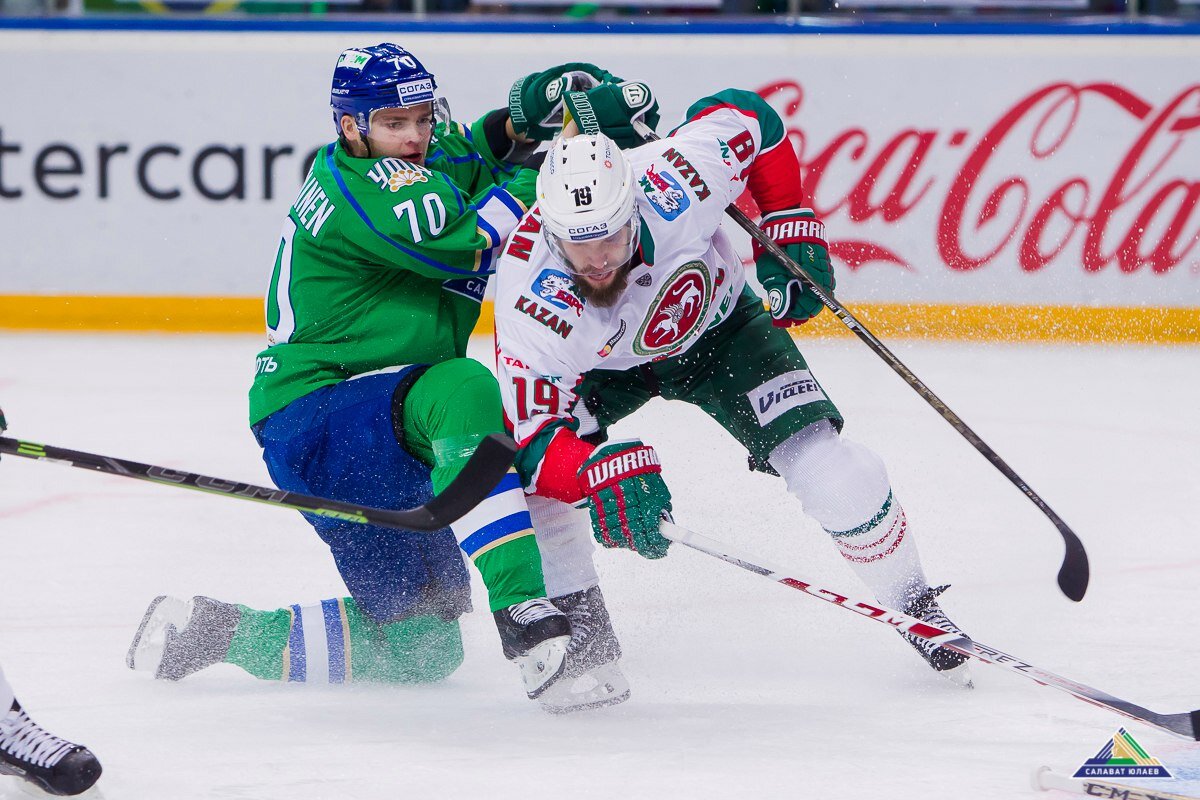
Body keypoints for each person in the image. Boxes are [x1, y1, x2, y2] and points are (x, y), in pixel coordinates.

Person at [127, 45, 645, 707]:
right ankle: (523, 607)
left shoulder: (411, 154)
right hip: (321, 417)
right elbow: (483, 232)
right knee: (467, 388)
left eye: (423, 118)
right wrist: (573, 151)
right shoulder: (366, 189)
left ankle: (219, 632)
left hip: (380, 424)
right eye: (396, 123)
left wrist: (527, 118)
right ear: (351, 126)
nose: (414, 136)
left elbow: (478, 150)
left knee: (423, 648)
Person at [491, 86, 975, 694]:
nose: (596, 264)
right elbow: (535, 439)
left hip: (720, 332)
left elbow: (749, 115)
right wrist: (593, 475)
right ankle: (583, 636)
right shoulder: (529, 292)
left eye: (610, 240)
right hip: (601, 371)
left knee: (830, 472)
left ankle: (911, 602)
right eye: (577, 246)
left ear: (635, 209)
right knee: (534, 488)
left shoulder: (676, 181)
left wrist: (790, 222)